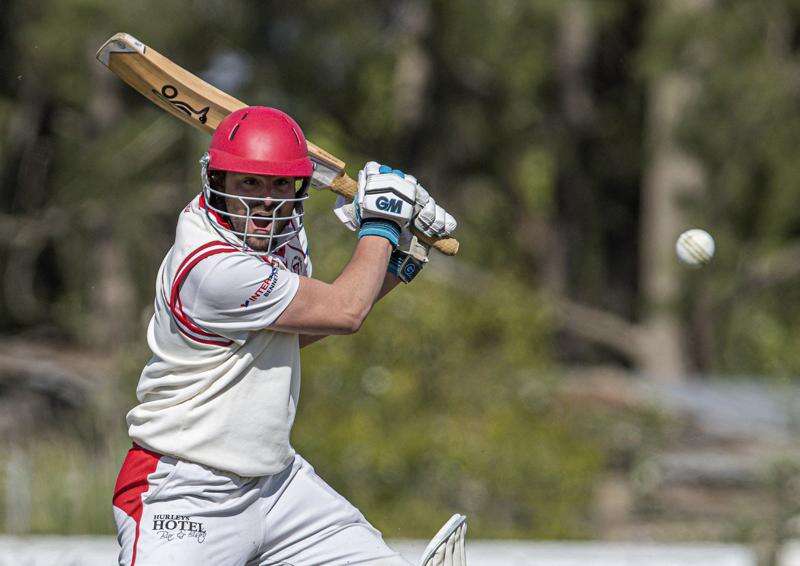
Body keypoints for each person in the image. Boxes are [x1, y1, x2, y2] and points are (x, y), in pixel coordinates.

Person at [111, 106, 464, 565]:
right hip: (185, 490)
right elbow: (345, 311)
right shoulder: (212, 268)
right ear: (217, 181)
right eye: (249, 184)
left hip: (279, 486)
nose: (267, 203)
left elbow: (298, 331)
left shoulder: (279, 235)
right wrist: (382, 223)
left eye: (280, 185)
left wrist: (401, 258)